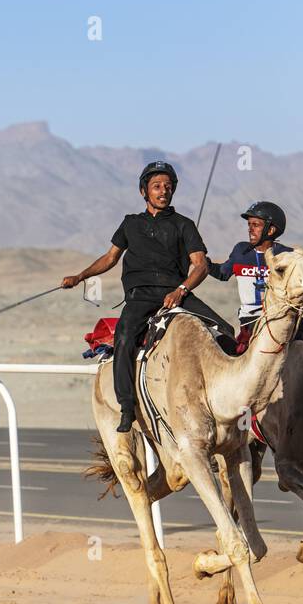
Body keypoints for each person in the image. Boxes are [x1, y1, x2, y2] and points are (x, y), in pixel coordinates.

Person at [62, 161, 231, 432]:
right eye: (156, 186)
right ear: (144, 192)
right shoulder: (130, 224)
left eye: (168, 186)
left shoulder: (183, 225)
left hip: (176, 293)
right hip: (140, 296)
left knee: (226, 331)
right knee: (125, 337)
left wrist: (181, 291)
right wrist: (80, 276)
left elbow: (199, 265)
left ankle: (230, 405)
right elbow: (110, 258)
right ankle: (127, 407)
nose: (163, 191)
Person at [206, 201, 303, 377]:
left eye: (256, 225)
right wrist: (199, 260)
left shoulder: (287, 255)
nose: (250, 229)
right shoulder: (240, 251)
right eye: (249, 225)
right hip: (252, 322)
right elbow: (221, 273)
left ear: (271, 230)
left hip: (284, 317)